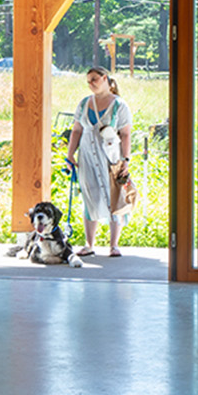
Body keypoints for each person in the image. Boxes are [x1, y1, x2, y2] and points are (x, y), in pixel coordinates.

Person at [64, 67, 133, 258]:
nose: (91, 84)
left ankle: (114, 245)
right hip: (87, 155)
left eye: (94, 79)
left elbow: (126, 134)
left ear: (105, 78)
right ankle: (89, 244)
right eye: (88, 81)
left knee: (115, 197)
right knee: (89, 196)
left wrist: (126, 160)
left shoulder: (119, 105)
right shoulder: (84, 103)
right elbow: (76, 130)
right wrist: (70, 155)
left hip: (111, 158)